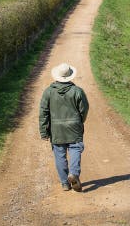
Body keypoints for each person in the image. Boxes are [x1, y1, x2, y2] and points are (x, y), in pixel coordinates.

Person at [39, 62, 90, 192]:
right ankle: (73, 173)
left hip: (56, 129)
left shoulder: (48, 92)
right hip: (74, 127)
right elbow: (84, 109)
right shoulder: (77, 91)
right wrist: (80, 121)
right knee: (75, 149)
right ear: (70, 76)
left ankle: (64, 183)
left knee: (59, 154)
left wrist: (44, 131)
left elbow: (43, 112)